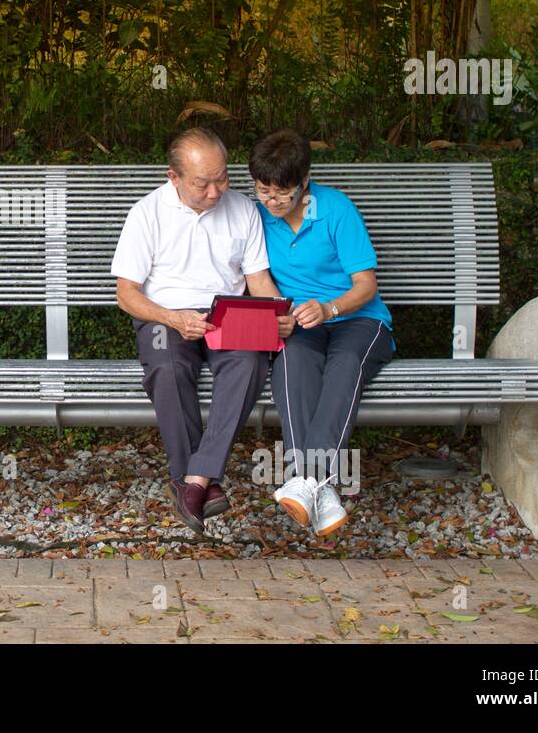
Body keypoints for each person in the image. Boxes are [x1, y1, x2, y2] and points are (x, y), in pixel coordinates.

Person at [112, 127, 295, 535]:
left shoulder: (244, 210)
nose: (216, 192)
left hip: (227, 315)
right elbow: (127, 294)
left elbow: (259, 280)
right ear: (173, 178)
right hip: (164, 316)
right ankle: (200, 481)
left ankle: (193, 480)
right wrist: (173, 317)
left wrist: (277, 313)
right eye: (203, 183)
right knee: (167, 367)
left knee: (250, 361)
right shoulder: (146, 213)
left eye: (223, 178)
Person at [249, 129, 394, 537]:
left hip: (357, 320)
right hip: (300, 324)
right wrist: (282, 312)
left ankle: (305, 479)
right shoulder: (255, 216)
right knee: (292, 360)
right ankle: (322, 489)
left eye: (282, 193)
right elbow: (253, 276)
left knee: (345, 363)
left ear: (305, 182)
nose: (272, 202)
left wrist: (329, 308)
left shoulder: (335, 210)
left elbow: (366, 285)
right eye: (263, 191)